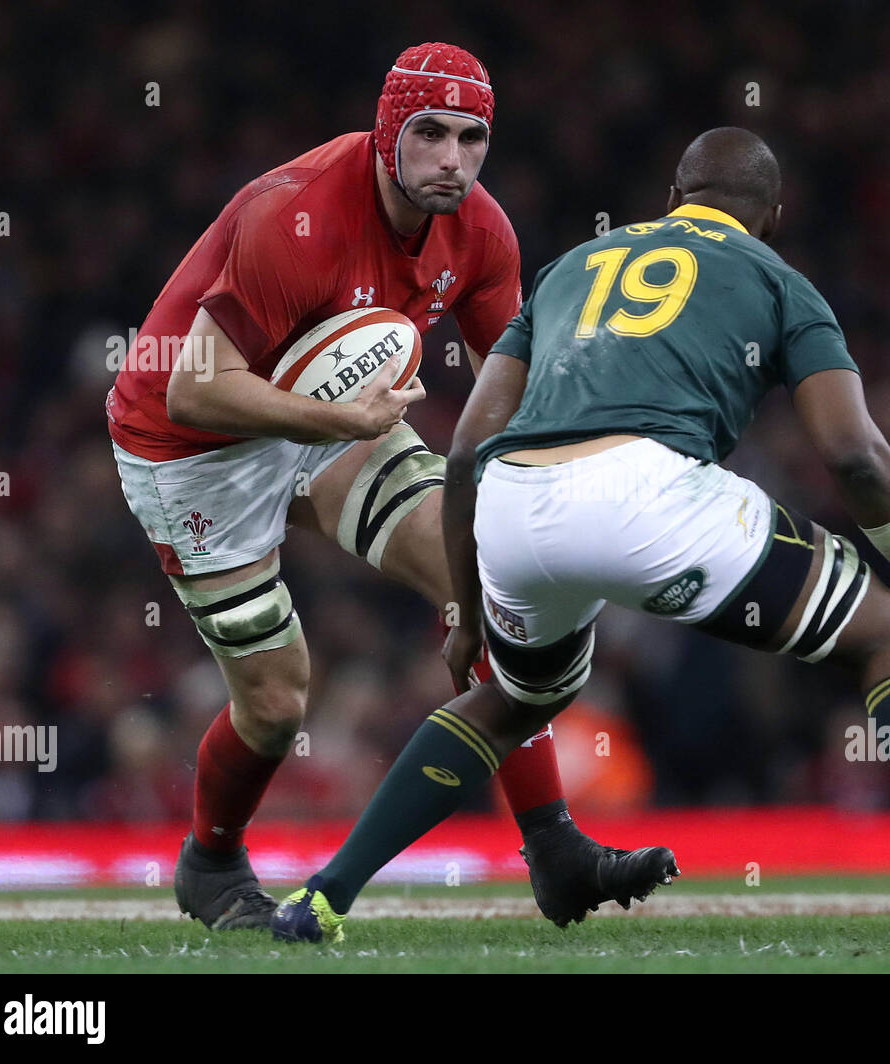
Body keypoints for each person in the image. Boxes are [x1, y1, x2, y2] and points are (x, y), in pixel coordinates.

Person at [273, 127, 890, 943]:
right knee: (889, 638)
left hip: (515, 506)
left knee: (512, 701)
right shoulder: (779, 280)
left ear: (672, 199)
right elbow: (856, 457)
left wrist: (465, 605)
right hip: (649, 496)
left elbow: (462, 451)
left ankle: (321, 899)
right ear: (773, 216)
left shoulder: (570, 268)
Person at [106, 42, 676, 932]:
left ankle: (554, 847)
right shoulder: (293, 216)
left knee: (489, 581)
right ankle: (210, 862)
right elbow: (195, 385)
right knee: (278, 701)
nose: (453, 159)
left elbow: (513, 389)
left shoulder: (482, 232)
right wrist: (345, 422)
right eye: (431, 133)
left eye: (472, 137)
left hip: (332, 408)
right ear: (387, 132)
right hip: (190, 447)